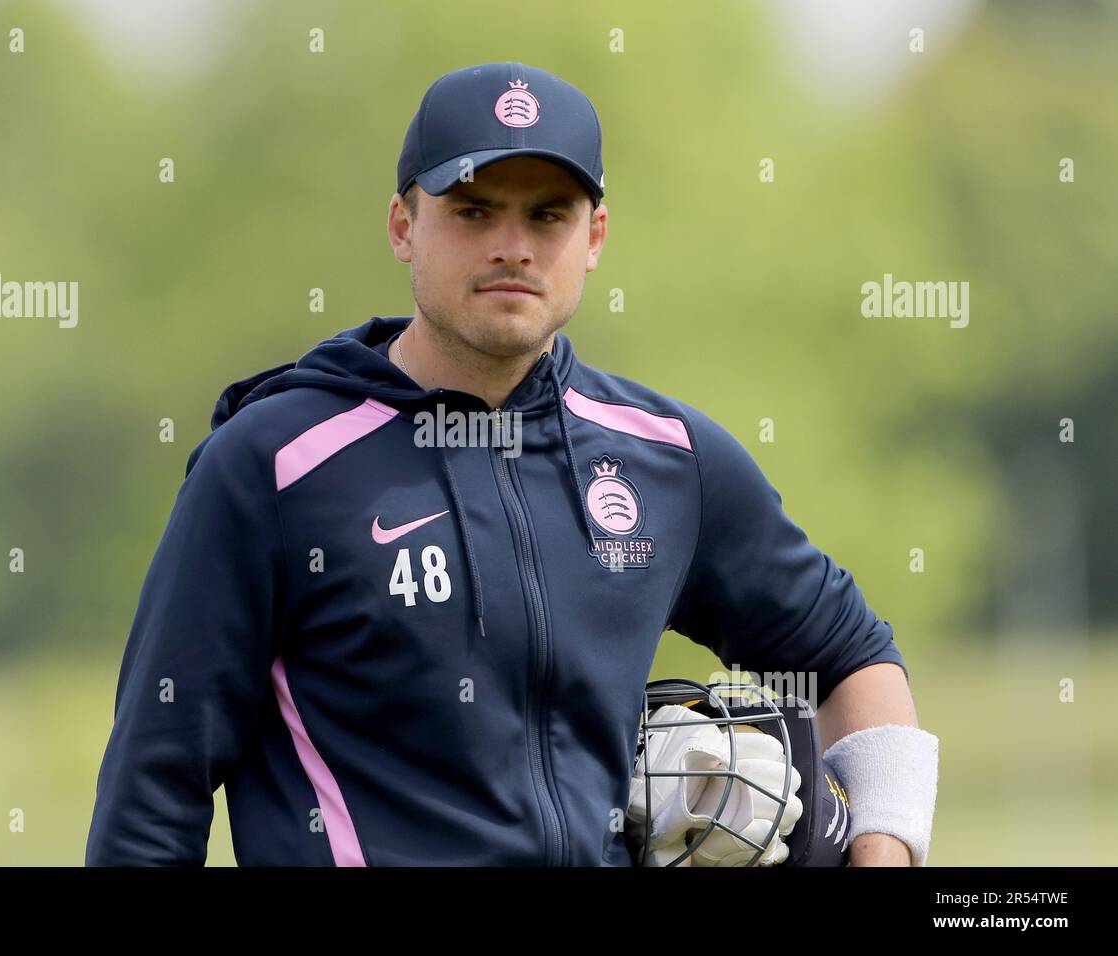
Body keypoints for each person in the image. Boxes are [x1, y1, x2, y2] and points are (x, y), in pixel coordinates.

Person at [85, 61, 938, 867]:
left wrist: (885, 850)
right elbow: (152, 796)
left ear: (594, 236)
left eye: (547, 215)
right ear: (401, 225)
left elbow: (851, 652)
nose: (512, 247)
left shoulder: (665, 459)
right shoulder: (271, 466)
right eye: (472, 209)